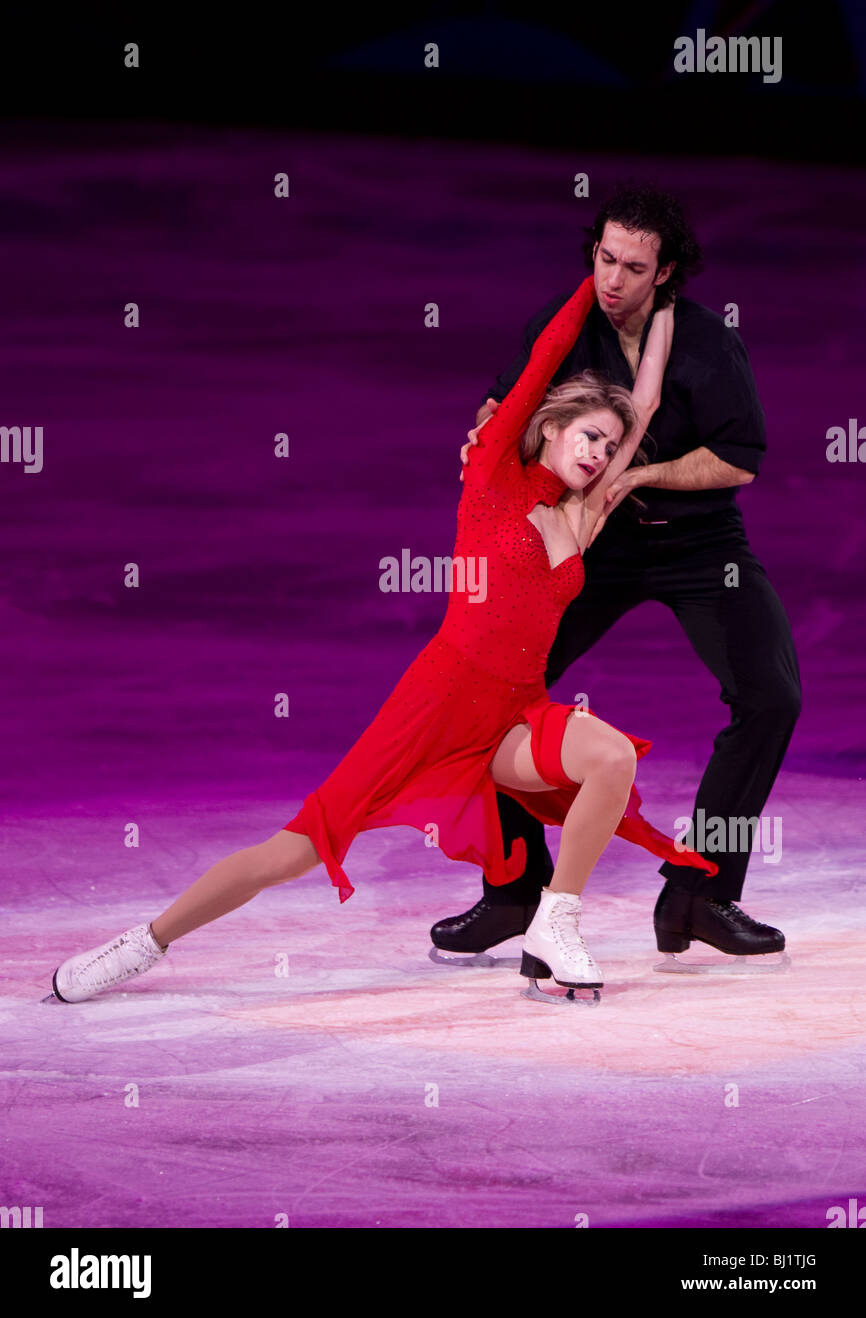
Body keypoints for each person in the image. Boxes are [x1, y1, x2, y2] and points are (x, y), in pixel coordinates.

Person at [47, 278, 716, 1009]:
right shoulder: (492, 476)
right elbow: (545, 358)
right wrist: (600, 278)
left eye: (611, 447)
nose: (600, 454)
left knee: (611, 758)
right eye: (590, 435)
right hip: (434, 707)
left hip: (512, 718)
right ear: (552, 426)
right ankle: (145, 942)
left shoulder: (586, 515)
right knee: (297, 849)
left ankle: (555, 924)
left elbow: (643, 404)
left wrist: (664, 294)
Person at [431, 183, 800, 968]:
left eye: (635, 266)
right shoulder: (565, 331)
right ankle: (514, 891)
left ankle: (698, 893)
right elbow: (507, 405)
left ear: (665, 272)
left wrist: (638, 475)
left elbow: (739, 458)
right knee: (491, 692)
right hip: (586, 549)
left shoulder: (706, 343)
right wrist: (483, 437)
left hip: (701, 546)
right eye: (605, 258)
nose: (614, 280)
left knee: (772, 696)